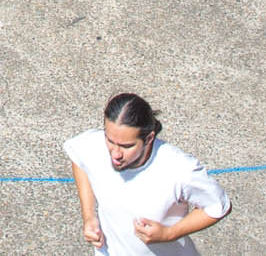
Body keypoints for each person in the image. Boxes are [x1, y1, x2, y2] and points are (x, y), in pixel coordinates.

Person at [64, 92, 230, 254]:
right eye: (110, 141)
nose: (115, 154)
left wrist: (168, 234)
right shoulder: (93, 145)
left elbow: (218, 206)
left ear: (149, 138)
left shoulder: (179, 169)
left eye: (126, 146)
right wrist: (89, 217)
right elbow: (78, 158)